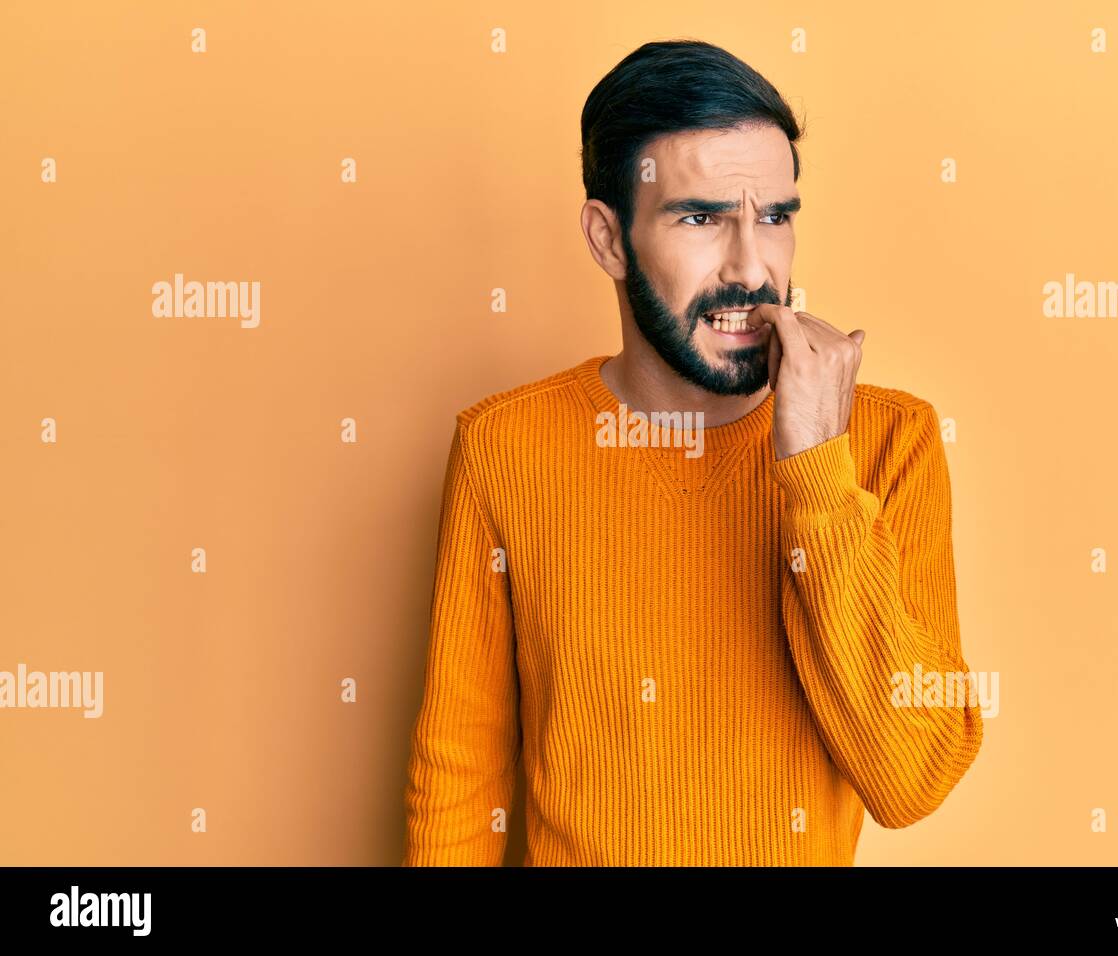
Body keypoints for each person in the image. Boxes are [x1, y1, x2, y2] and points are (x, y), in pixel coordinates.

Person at [401, 38, 983, 866]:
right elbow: (458, 782)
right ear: (608, 239)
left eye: (775, 218)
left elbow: (912, 776)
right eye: (701, 218)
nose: (751, 268)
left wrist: (817, 474)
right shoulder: (505, 448)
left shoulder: (888, 443)